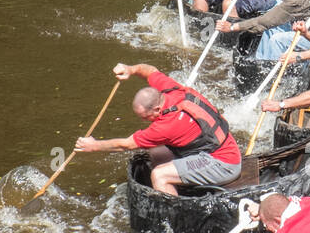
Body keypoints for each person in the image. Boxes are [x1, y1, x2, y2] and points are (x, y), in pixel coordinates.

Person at [74, 62, 241, 195]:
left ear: (156, 109)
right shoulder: (172, 91)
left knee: (159, 174)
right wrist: (130, 69)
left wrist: (94, 146)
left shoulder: (166, 126)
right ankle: (179, 185)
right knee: (155, 152)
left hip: (223, 164)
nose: (145, 121)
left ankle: (174, 219)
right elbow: (150, 70)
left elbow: (125, 145)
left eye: (146, 118)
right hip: (219, 149)